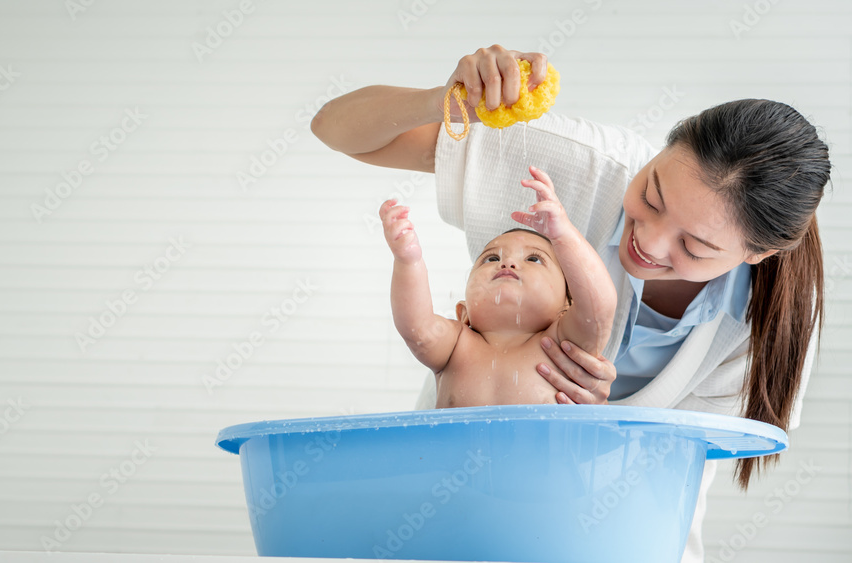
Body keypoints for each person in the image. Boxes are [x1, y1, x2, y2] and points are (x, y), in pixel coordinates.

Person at [311, 45, 830, 563]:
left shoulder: (772, 317)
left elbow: (678, 465)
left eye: (693, 247)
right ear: (663, 149)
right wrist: (442, 101)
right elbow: (333, 128)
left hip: (632, 537)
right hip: (456, 503)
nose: (648, 242)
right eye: (651, 197)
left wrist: (598, 427)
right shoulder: (568, 165)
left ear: (757, 254)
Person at [378, 166, 617, 408]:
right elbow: (417, 328)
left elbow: (600, 308)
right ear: (463, 313)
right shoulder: (455, 345)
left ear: (565, 308)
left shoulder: (562, 343)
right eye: (492, 258)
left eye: (534, 259)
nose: (508, 262)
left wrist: (564, 235)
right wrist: (408, 261)